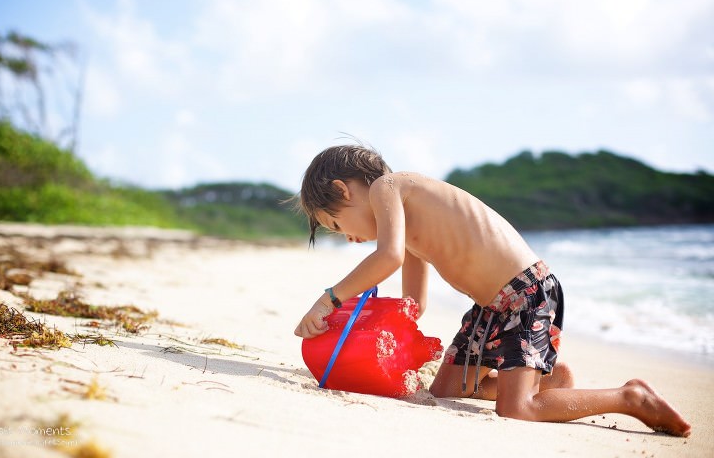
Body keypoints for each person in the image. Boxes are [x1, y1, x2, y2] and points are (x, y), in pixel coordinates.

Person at [293, 144, 691, 437]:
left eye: (335, 224)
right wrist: (378, 343)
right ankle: (550, 379)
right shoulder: (408, 226)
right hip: (492, 307)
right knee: (446, 391)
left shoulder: (388, 187)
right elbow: (415, 304)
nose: (347, 238)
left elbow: (388, 257)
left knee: (518, 411)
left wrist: (328, 300)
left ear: (344, 191)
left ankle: (630, 397)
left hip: (527, 294)